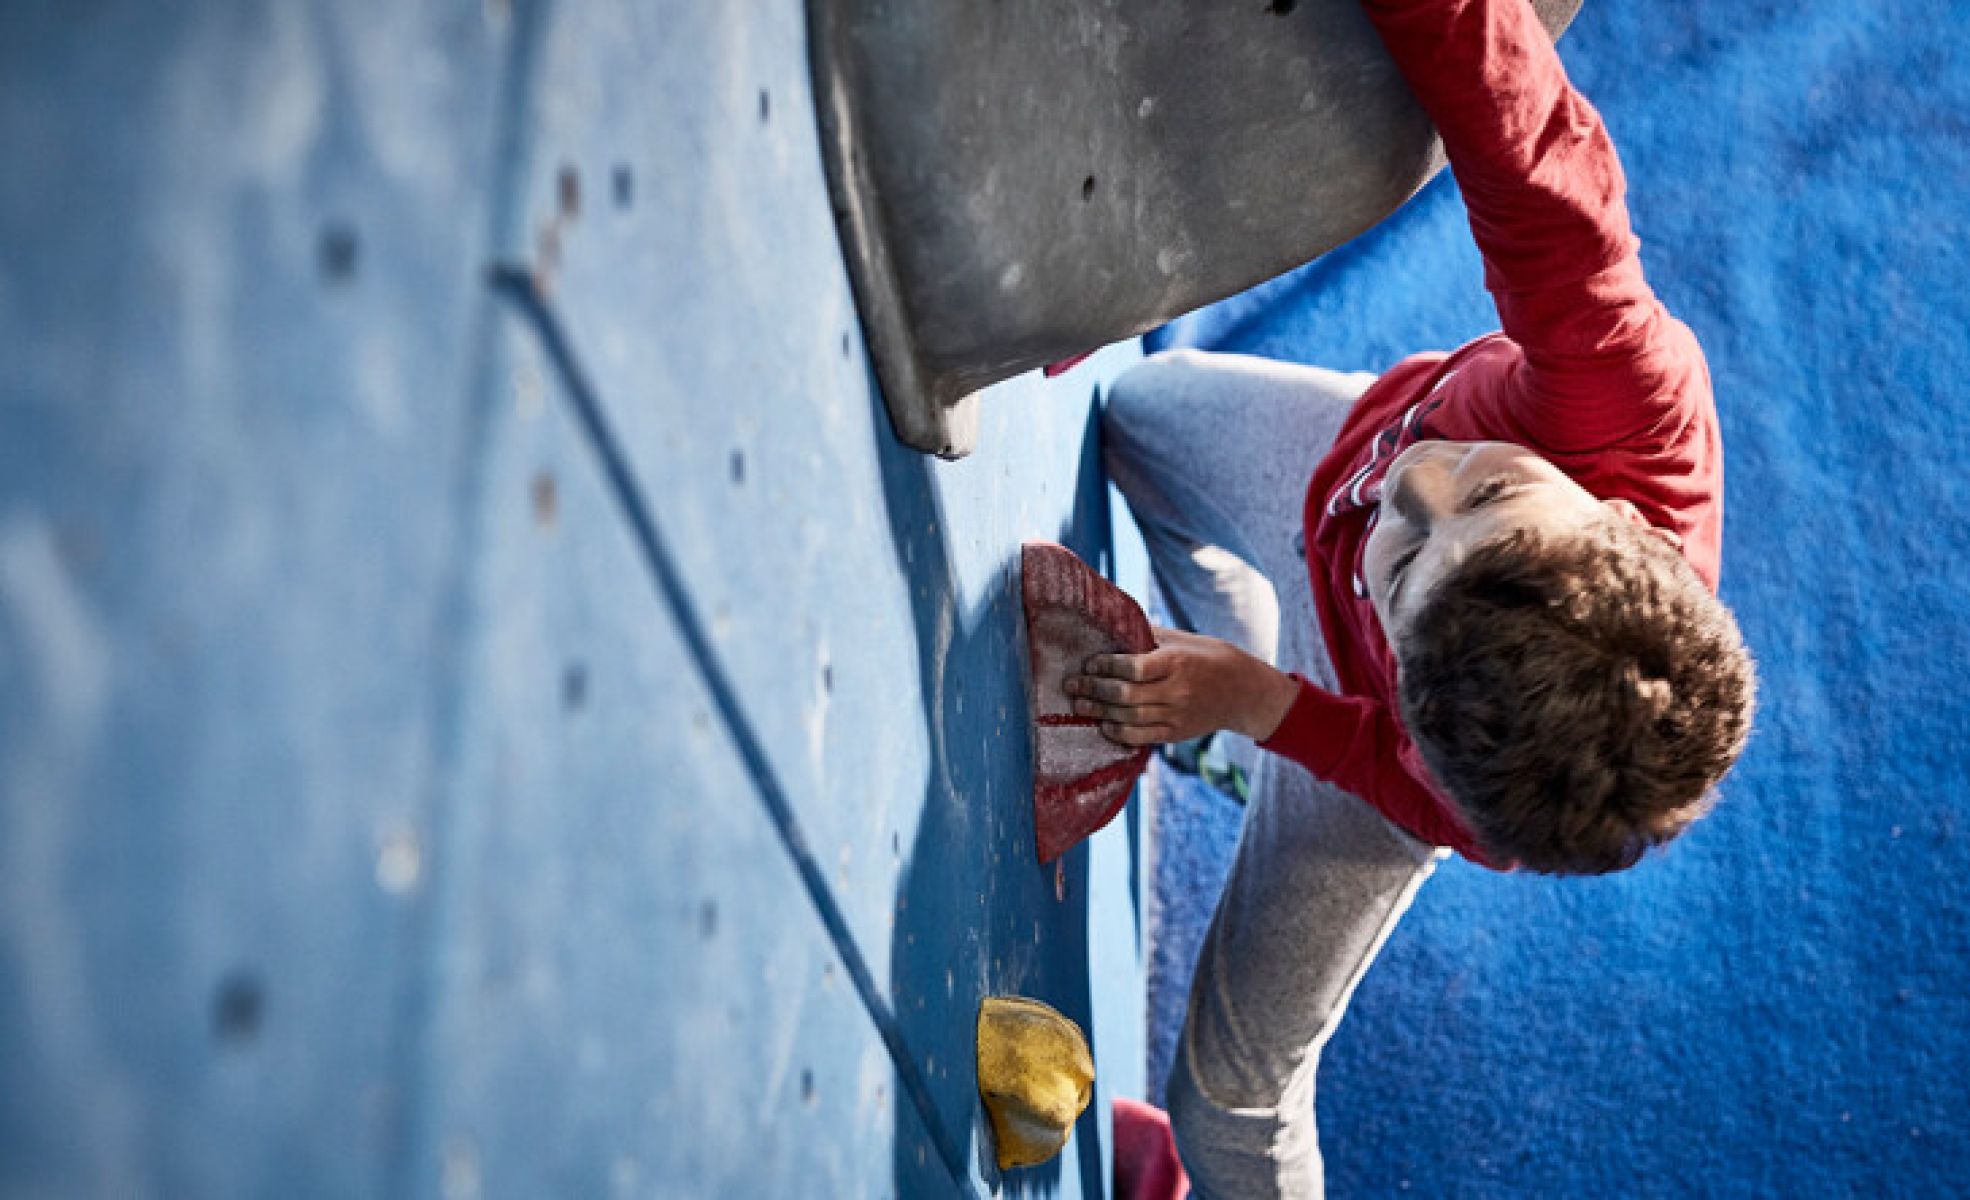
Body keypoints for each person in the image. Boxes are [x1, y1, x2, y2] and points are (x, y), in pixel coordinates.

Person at [1067, 0, 1758, 1194]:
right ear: (1610, 516)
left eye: (1409, 558)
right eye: (1487, 490)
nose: (1416, 480)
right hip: (1324, 468)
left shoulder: (1457, 774)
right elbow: (1534, 164)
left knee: (1225, 1103)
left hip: (1347, 707)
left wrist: (1261, 703)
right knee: (1142, 413)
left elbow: (1391, 764)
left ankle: (1236, 707)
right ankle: (1228, 646)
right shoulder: (1625, 397)